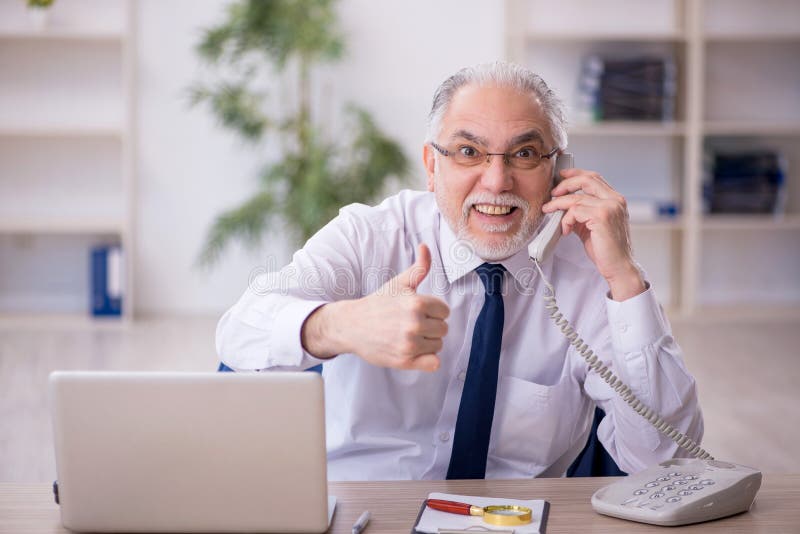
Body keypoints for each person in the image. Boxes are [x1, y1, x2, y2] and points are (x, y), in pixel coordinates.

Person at [216, 61, 703, 480]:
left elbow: (666, 460)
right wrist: (343, 324)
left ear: (560, 170)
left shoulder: (590, 271)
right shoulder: (370, 235)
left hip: (515, 520)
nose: (496, 180)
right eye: (469, 152)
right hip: (362, 507)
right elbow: (239, 335)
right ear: (431, 166)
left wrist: (625, 280)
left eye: (525, 154)